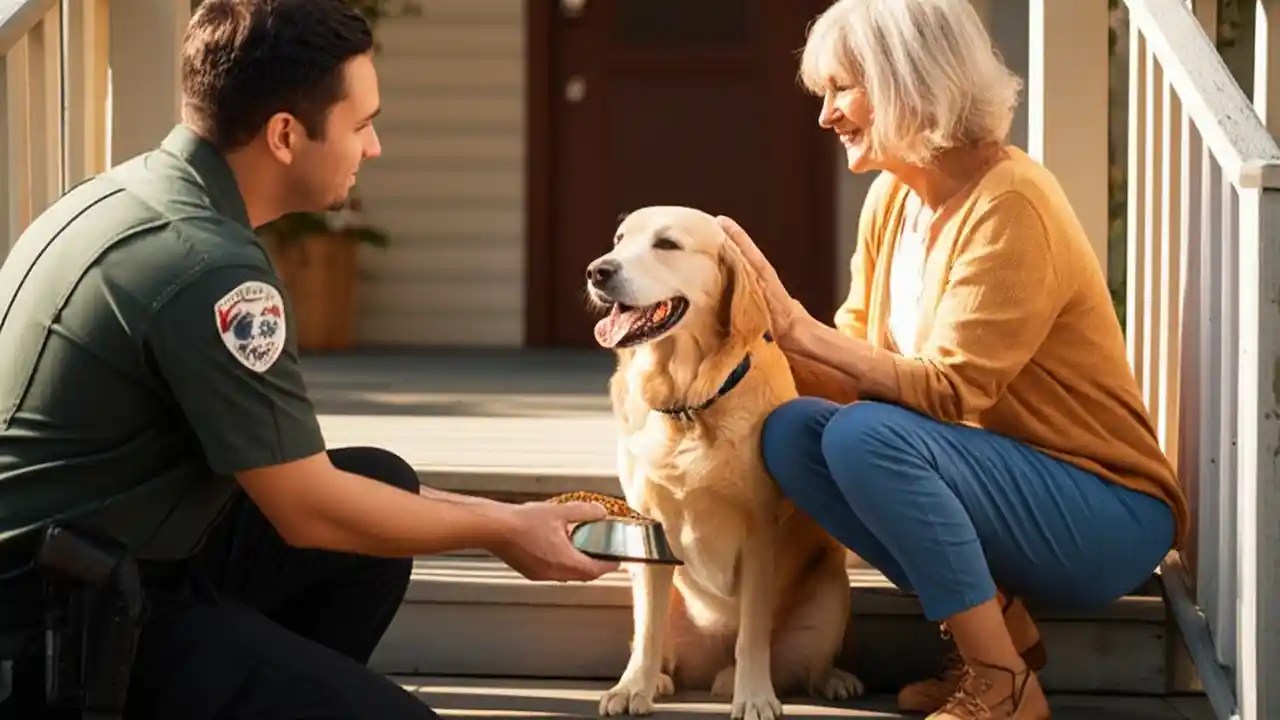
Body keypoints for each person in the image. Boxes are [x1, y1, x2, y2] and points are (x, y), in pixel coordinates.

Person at [0, 1, 616, 717]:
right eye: (361, 125)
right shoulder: (210, 269)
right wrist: (504, 531)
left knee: (381, 483)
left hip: (106, 562)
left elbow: (307, 483)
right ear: (286, 135)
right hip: (56, 633)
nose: (374, 147)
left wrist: (515, 515)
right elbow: (310, 514)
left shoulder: (126, 195)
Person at [717, 1, 1190, 719]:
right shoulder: (891, 202)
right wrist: (723, 355)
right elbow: (849, 376)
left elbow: (950, 393)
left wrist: (797, 328)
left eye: (843, 87)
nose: (827, 115)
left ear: (909, 79)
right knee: (795, 434)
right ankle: (1011, 642)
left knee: (861, 437)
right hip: (1002, 490)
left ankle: (1000, 682)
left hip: (1105, 514)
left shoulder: (1013, 203)